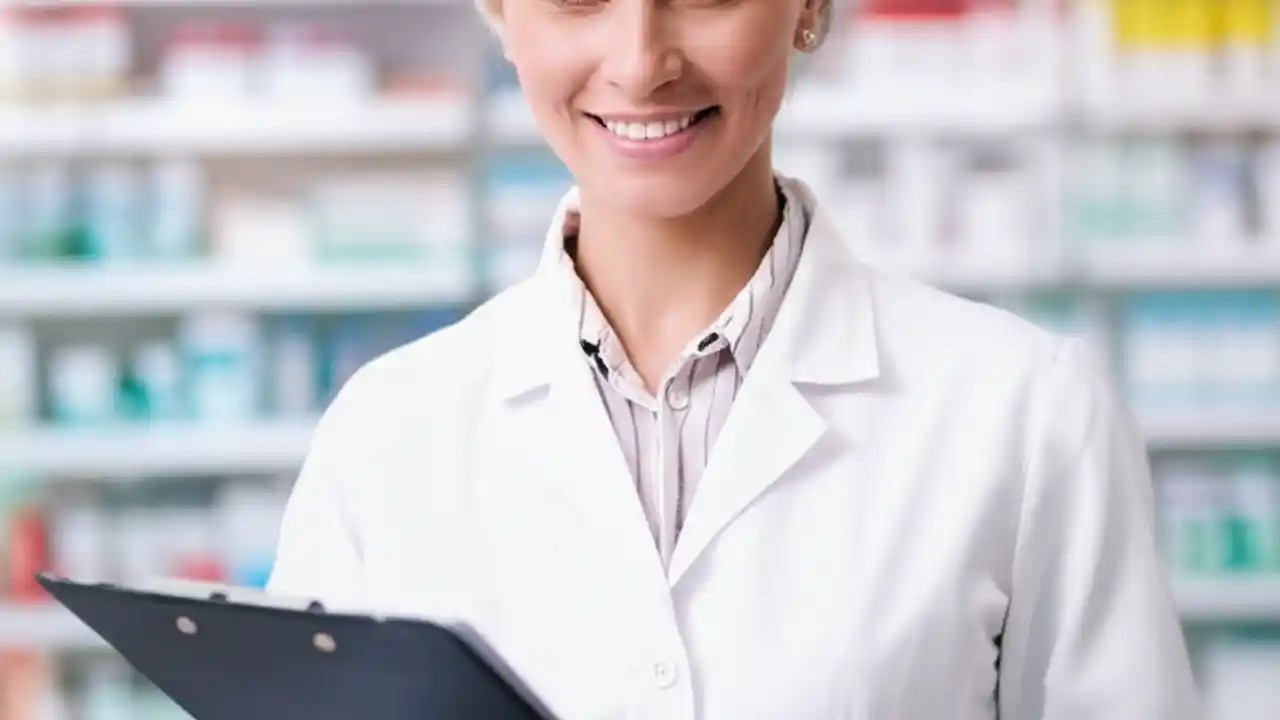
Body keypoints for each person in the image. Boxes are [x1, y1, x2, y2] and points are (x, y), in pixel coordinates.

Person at [268, 1, 1201, 718]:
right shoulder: (383, 433)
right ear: (504, 16)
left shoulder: (1026, 413)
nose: (642, 61)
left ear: (808, 8)